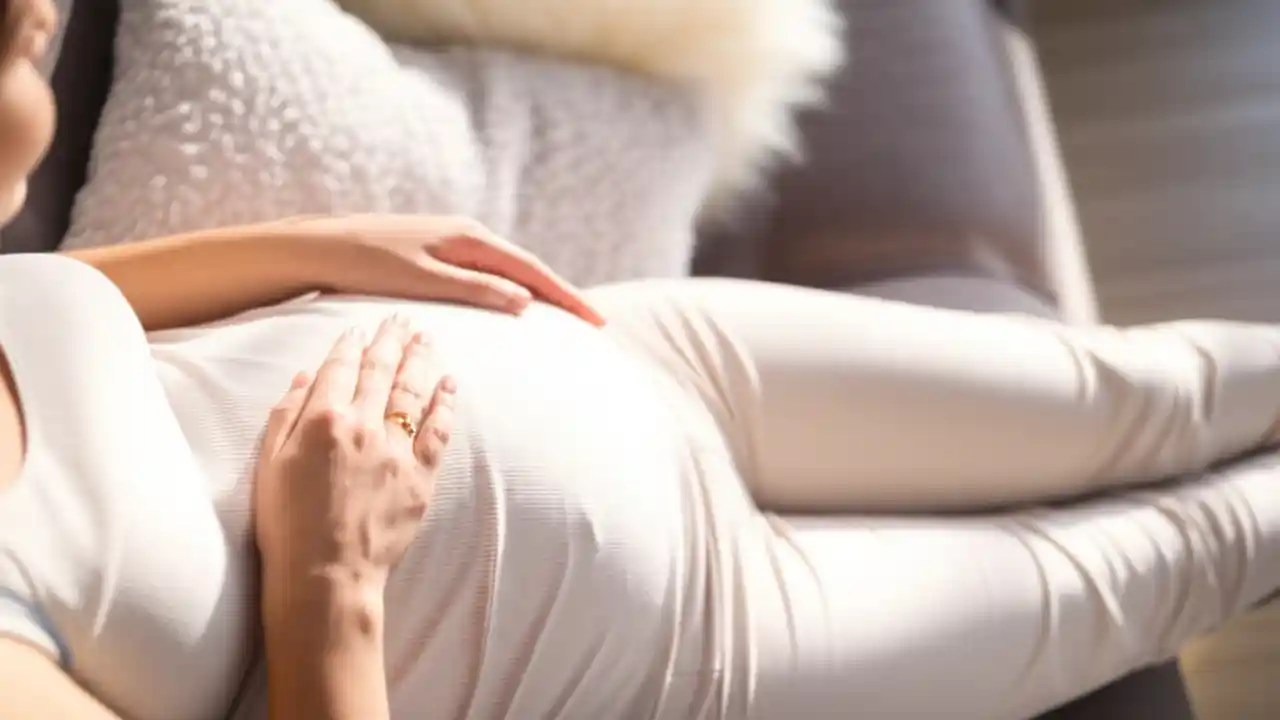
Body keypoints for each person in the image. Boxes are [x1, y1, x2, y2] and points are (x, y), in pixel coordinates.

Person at [1, 1, 1278, 718]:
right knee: (1167, 565)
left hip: (646, 350)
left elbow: (73, 300)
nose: (41, 19)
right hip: (686, 635)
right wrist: (331, 577)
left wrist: (329, 244)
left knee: (1140, 390)